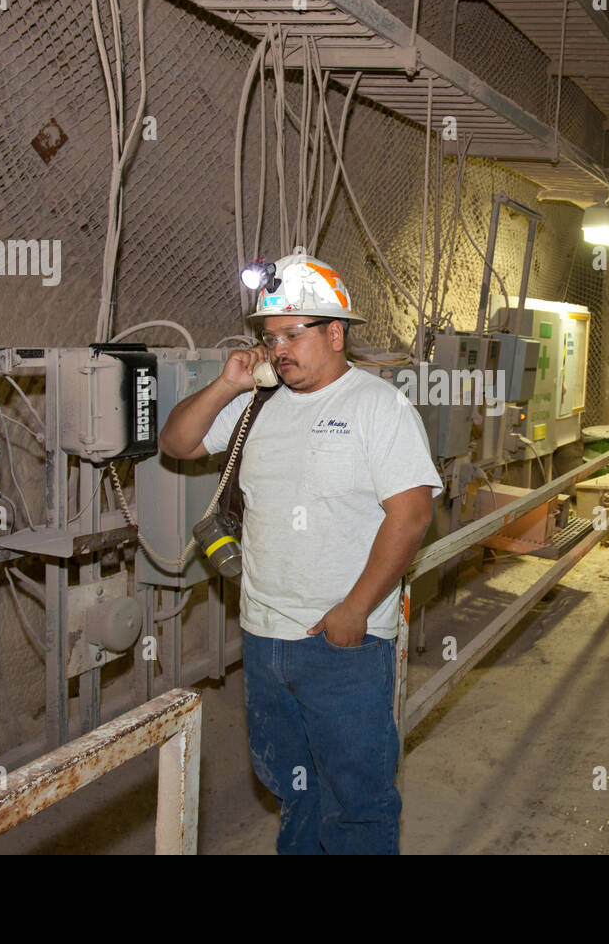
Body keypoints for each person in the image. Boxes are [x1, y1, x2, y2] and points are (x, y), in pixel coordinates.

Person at [158, 250, 441, 854]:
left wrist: (355, 611)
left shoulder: (377, 406)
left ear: (335, 333)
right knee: (294, 793)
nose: (278, 349)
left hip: (342, 642)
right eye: (269, 336)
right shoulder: (255, 404)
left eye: (292, 333)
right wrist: (229, 382)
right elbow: (177, 442)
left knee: (356, 802)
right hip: (264, 639)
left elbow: (412, 514)